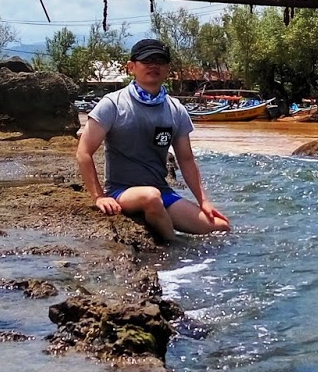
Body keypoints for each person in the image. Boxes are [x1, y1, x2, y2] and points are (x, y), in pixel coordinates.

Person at [75, 37, 231, 242]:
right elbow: (84, 152)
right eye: (147, 61)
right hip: (121, 192)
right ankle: (175, 249)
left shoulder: (176, 109)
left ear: (168, 70)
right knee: (150, 196)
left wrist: (204, 201)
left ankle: (166, 227)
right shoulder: (112, 104)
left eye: (160, 61)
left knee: (221, 227)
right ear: (131, 67)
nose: (154, 65)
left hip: (161, 192)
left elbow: (186, 159)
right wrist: (99, 197)